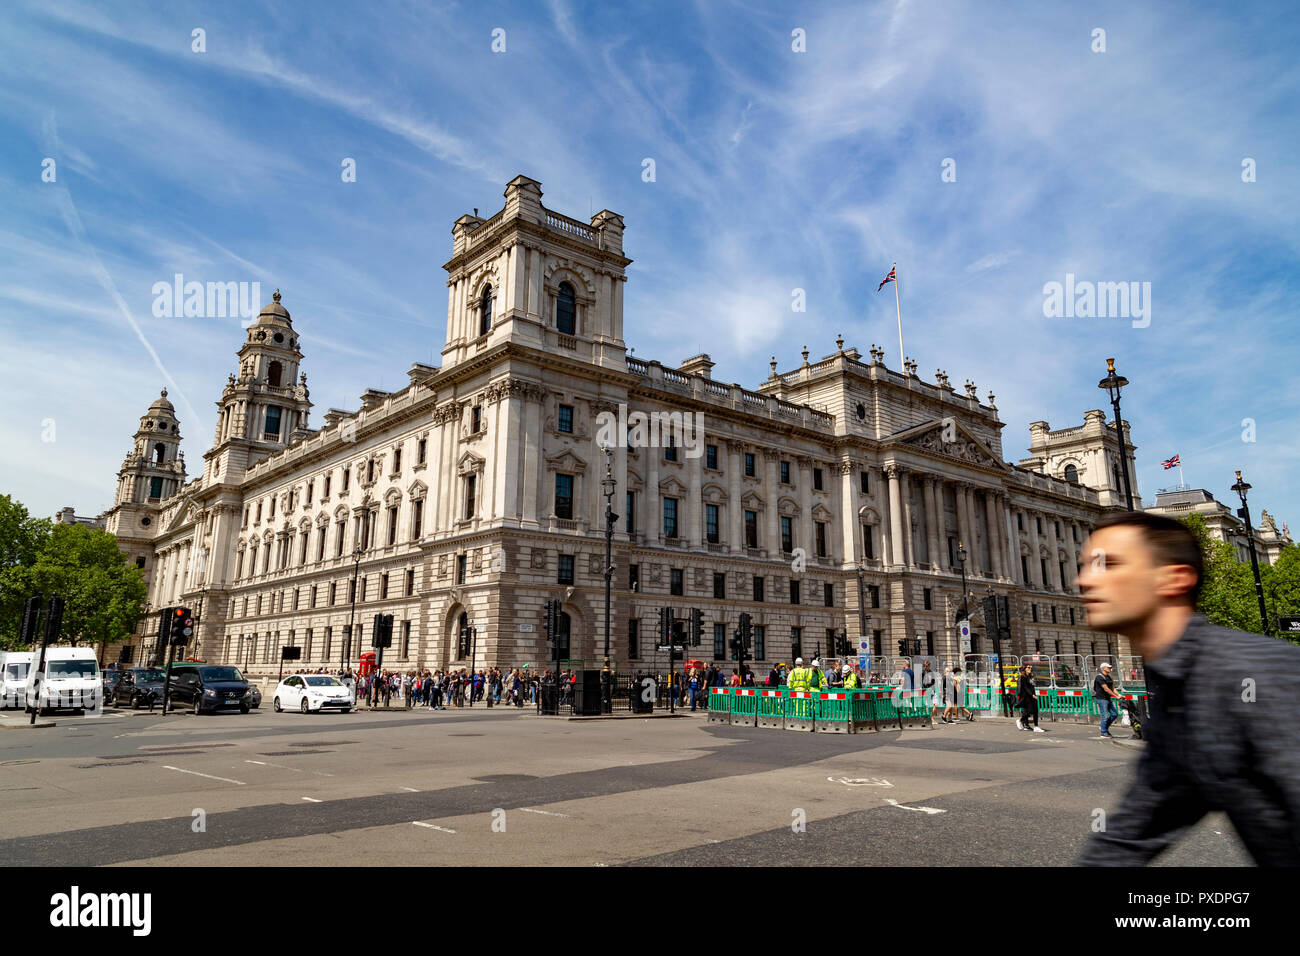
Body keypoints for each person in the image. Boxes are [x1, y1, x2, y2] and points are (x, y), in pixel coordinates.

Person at [1077, 512, 1300, 865]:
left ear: (1174, 579)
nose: (1084, 580)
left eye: (1109, 564)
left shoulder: (1252, 674)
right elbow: (1130, 836)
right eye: (1085, 565)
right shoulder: (1179, 693)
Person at [1093, 662, 1122, 738]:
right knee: (1105, 716)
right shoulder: (1099, 677)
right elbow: (1106, 689)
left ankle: (1104, 727)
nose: (1110, 669)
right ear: (1103, 668)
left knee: (1114, 714)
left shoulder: (1108, 677)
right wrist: (1116, 696)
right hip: (1102, 699)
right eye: (1108, 667)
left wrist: (1118, 694)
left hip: (1107, 698)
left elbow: (1112, 688)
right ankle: (1103, 732)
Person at [1016, 664, 1044, 732]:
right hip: (1027, 696)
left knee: (1035, 711)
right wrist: (1032, 695)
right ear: (1025, 668)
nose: (1030, 669)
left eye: (1030, 667)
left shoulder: (1029, 676)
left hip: (1032, 695)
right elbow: (1025, 688)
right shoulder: (1022, 677)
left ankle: (1036, 726)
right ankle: (1020, 720)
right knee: (1030, 711)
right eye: (1028, 667)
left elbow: (1032, 686)